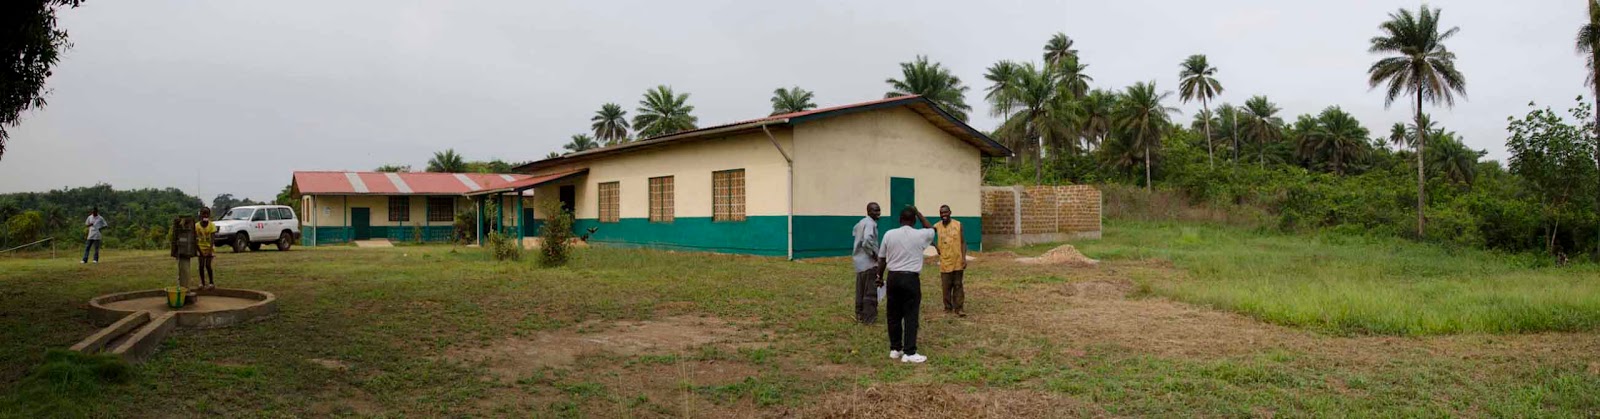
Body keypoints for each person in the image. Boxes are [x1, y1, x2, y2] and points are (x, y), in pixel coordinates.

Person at [878, 206, 935, 364]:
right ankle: (909, 352)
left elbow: (882, 258)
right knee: (911, 315)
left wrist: (879, 276)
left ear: (899, 220)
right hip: (910, 278)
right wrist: (919, 213)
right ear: (914, 220)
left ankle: (895, 349)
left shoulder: (889, 234)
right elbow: (931, 229)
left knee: (893, 315)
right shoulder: (921, 234)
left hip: (893, 277)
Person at [931, 205, 968, 317]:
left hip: (957, 261)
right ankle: (947, 308)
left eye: (946, 212)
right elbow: (928, 236)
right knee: (946, 286)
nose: (944, 215)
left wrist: (964, 258)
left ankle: (959, 308)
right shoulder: (937, 226)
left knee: (958, 285)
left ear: (950, 212)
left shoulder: (958, 225)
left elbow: (963, 242)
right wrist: (936, 247)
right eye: (941, 213)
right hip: (945, 261)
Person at [851, 202, 882, 324]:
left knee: (860, 290)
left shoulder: (861, 223)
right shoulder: (870, 224)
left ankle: (859, 314)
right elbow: (867, 241)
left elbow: (855, 233)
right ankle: (869, 318)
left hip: (859, 263)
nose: (878, 213)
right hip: (869, 263)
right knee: (870, 291)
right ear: (868, 211)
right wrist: (875, 255)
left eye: (879, 210)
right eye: (875, 210)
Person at [195, 207, 219, 290]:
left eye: (207, 214)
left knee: (208, 265)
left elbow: (212, 239)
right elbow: (195, 240)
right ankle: (202, 282)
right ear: (200, 215)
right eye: (203, 213)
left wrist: (210, 250)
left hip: (209, 247)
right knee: (201, 265)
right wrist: (200, 251)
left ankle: (211, 282)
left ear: (209, 215)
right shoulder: (197, 226)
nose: (205, 215)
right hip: (200, 247)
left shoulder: (212, 225)